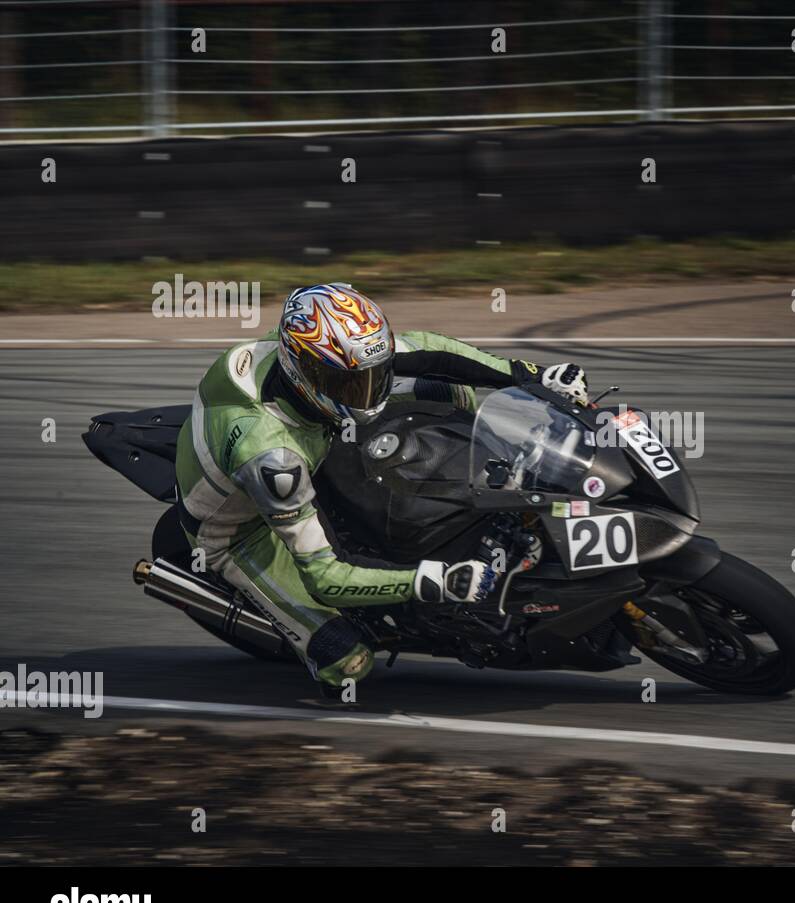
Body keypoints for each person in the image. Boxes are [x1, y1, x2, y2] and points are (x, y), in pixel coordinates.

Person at [173, 283, 587, 692]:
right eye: (353, 384)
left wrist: (532, 376)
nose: (369, 393)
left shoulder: (331, 358)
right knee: (348, 662)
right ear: (303, 372)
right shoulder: (271, 458)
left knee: (450, 391)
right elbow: (324, 576)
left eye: (376, 375)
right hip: (242, 534)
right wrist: (434, 580)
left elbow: (428, 348)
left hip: (315, 433)